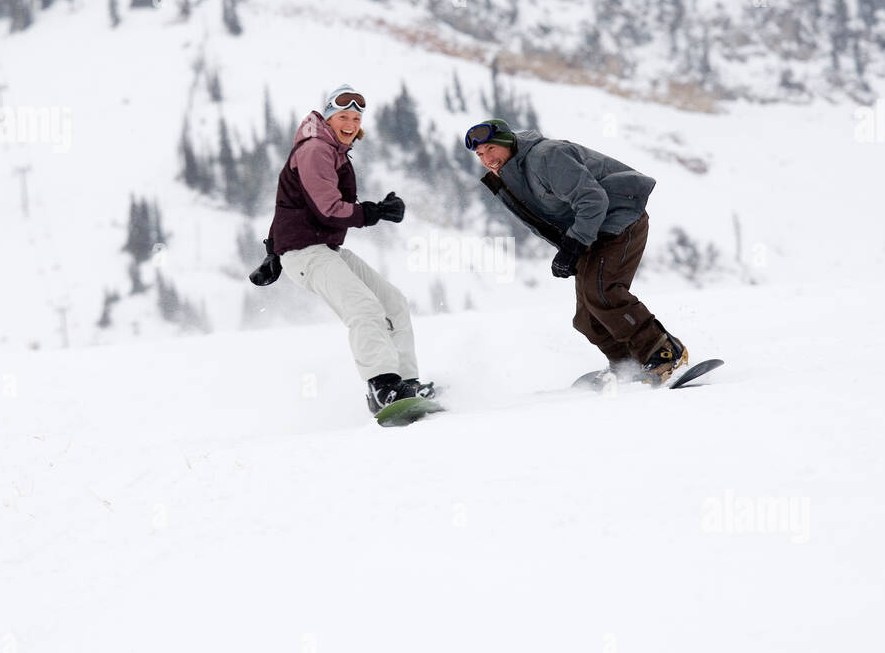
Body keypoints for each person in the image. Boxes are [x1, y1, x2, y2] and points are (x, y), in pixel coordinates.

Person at [250, 85, 434, 414]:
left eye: (355, 117)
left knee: (392, 303)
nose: (350, 123)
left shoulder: (333, 150)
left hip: (322, 248)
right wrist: (375, 211)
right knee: (363, 308)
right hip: (307, 252)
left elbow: (289, 203)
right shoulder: (316, 149)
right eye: (342, 117)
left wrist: (271, 251)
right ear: (329, 119)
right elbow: (327, 209)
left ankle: (405, 383)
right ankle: (382, 387)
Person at [465, 118, 688, 385]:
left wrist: (575, 244)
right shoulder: (510, 177)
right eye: (480, 154)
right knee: (586, 318)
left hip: (619, 217)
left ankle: (663, 354)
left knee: (602, 293)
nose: (487, 158)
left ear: (506, 142)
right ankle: (629, 364)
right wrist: (568, 248)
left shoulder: (547, 156)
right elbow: (545, 220)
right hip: (591, 232)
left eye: (491, 149)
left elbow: (592, 199)